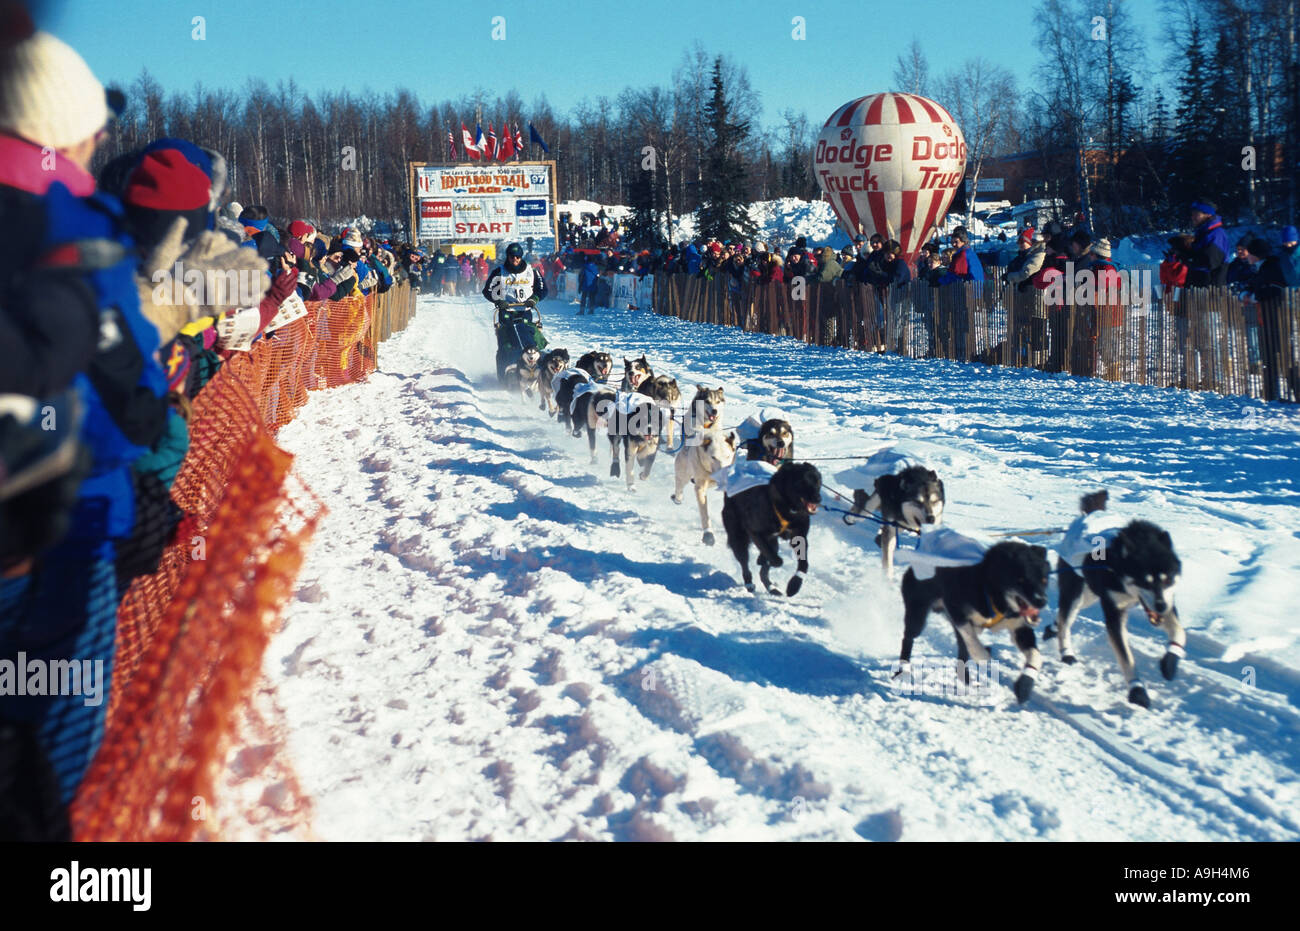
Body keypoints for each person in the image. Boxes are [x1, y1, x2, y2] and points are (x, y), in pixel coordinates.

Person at [483, 242, 547, 382]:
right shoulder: (499, 271)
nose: (515, 259)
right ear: (508, 256)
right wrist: (498, 301)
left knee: (530, 341)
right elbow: (487, 290)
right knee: (506, 343)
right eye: (512, 256)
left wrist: (534, 299)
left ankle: (536, 369)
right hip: (507, 312)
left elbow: (542, 289)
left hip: (525, 311)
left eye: (518, 256)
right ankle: (504, 375)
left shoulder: (531, 271)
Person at [1186, 199, 1229, 287]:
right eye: (1192, 214)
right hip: (1200, 287)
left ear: (1208, 215)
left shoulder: (1216, 234)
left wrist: (1187, 260)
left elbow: (1210, 262)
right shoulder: (1203, 233)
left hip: (1211, 290)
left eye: (1196, 214)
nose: (1192, 217)